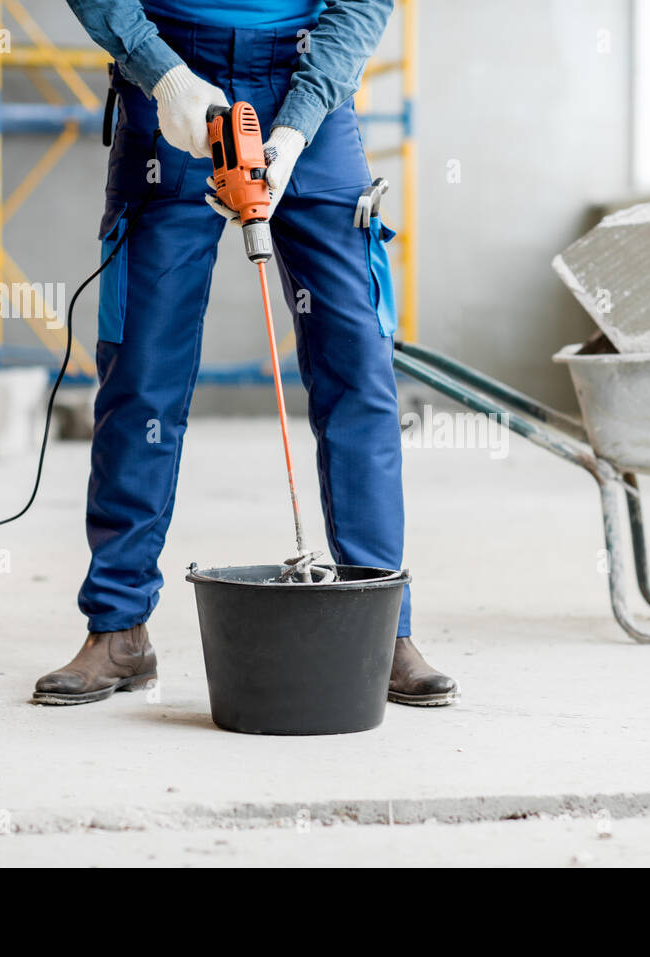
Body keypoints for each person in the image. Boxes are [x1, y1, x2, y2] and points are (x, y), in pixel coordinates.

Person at [33, 0, 458, 707]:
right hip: (173, 82)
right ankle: (119, 630)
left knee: (358, 364)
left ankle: (381, 625)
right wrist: (160, 73)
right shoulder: (165, 80)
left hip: (304, 80)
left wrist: (297, 122)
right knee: (141, 373)